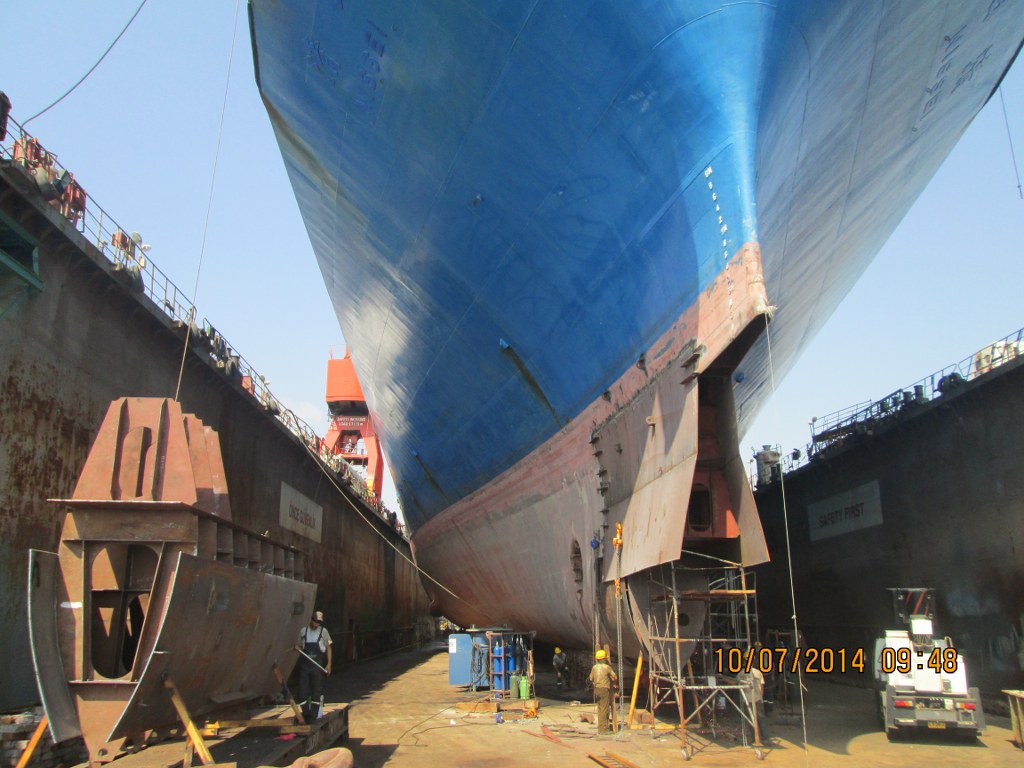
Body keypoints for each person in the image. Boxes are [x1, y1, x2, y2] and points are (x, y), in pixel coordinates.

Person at [297, 610, 333, 723]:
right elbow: (299, 646)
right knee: (302, 692)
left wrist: (329, 664)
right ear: (311, 620)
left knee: (315, 691)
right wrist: (297, 647)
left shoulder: (324, 631)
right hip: (305, 666)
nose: (316, 624)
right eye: (315, 621)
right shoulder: (303, 631)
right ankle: (305, 713)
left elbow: (329, 647)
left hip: (317, 666)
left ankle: (313, 716)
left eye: (319, 622)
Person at [587, 649, 618, 734]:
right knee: (605, 709)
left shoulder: (594, 667)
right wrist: (613, 681)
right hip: (604, 690)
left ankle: (600, 728)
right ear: (603, 658)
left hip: (596, 689)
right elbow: (615, 677)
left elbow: (590, 678)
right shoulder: (607, 667)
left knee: (600, 709)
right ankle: (604, 730)